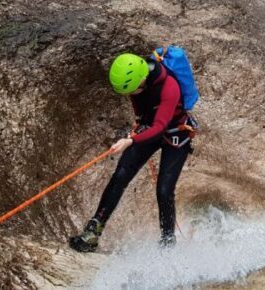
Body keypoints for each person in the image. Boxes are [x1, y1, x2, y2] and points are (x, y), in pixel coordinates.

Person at [69, 53, 197, 252]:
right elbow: (139, 103)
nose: (133, 94)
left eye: (133, 89)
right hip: (148, 128)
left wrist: (131, 140)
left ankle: (168, 242)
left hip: (175, 134)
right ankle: (93, 232)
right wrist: (138, 123)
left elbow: (160, 126)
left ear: (141, 79)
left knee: (164, 190)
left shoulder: (169, 87)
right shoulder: (136, 81)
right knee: (120, 176)